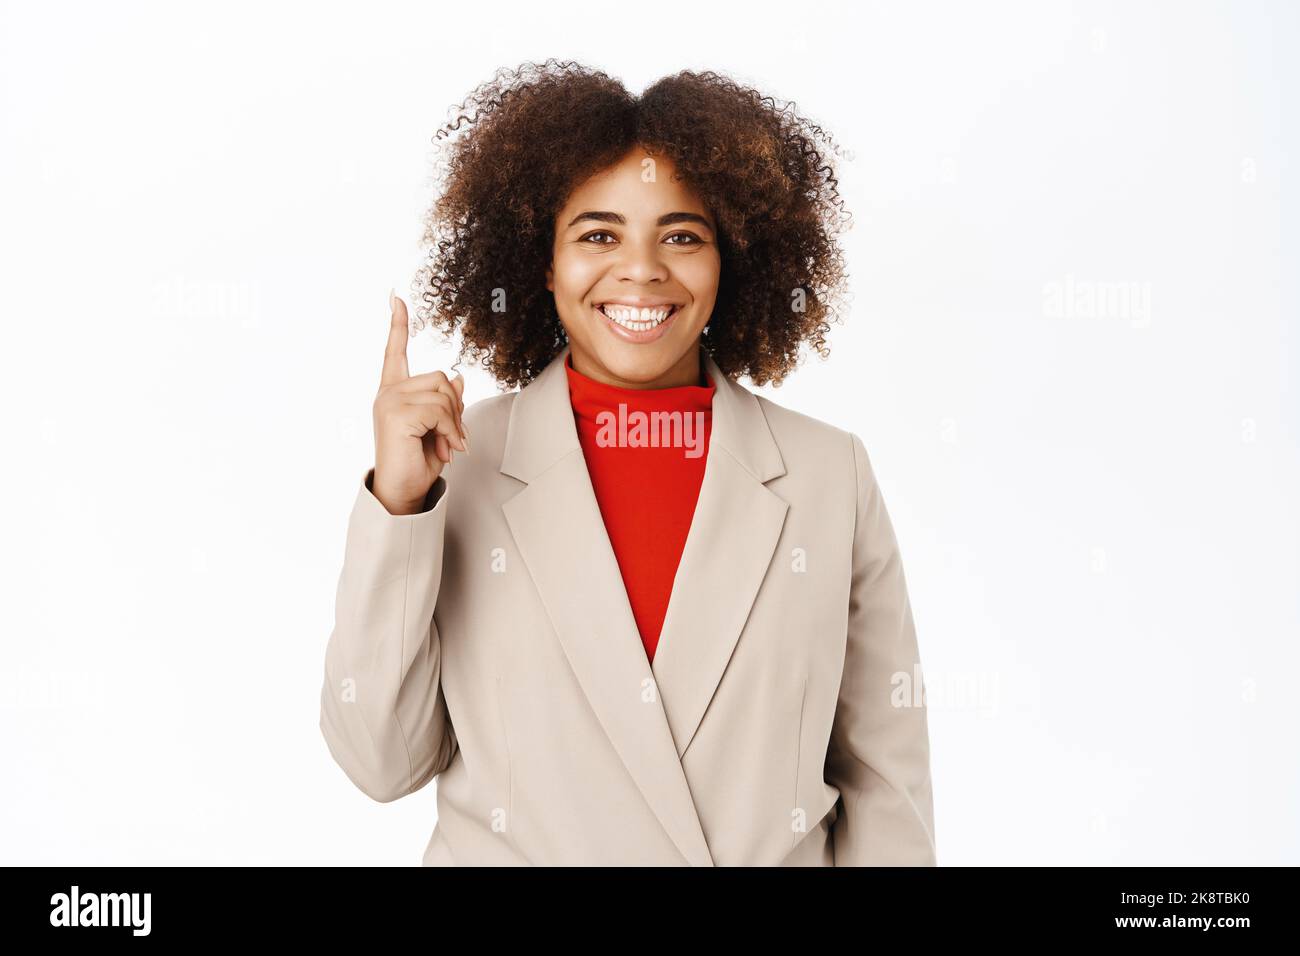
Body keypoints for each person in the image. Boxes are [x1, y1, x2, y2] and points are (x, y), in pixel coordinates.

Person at [318, 61, 936, 866]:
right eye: (598, 235)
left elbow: (888, 785)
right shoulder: (453, 473)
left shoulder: (828, 476)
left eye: (682, 235)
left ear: (730, 262)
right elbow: (380, 761)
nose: (642, 269)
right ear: (544, 262)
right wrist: (399, 508)